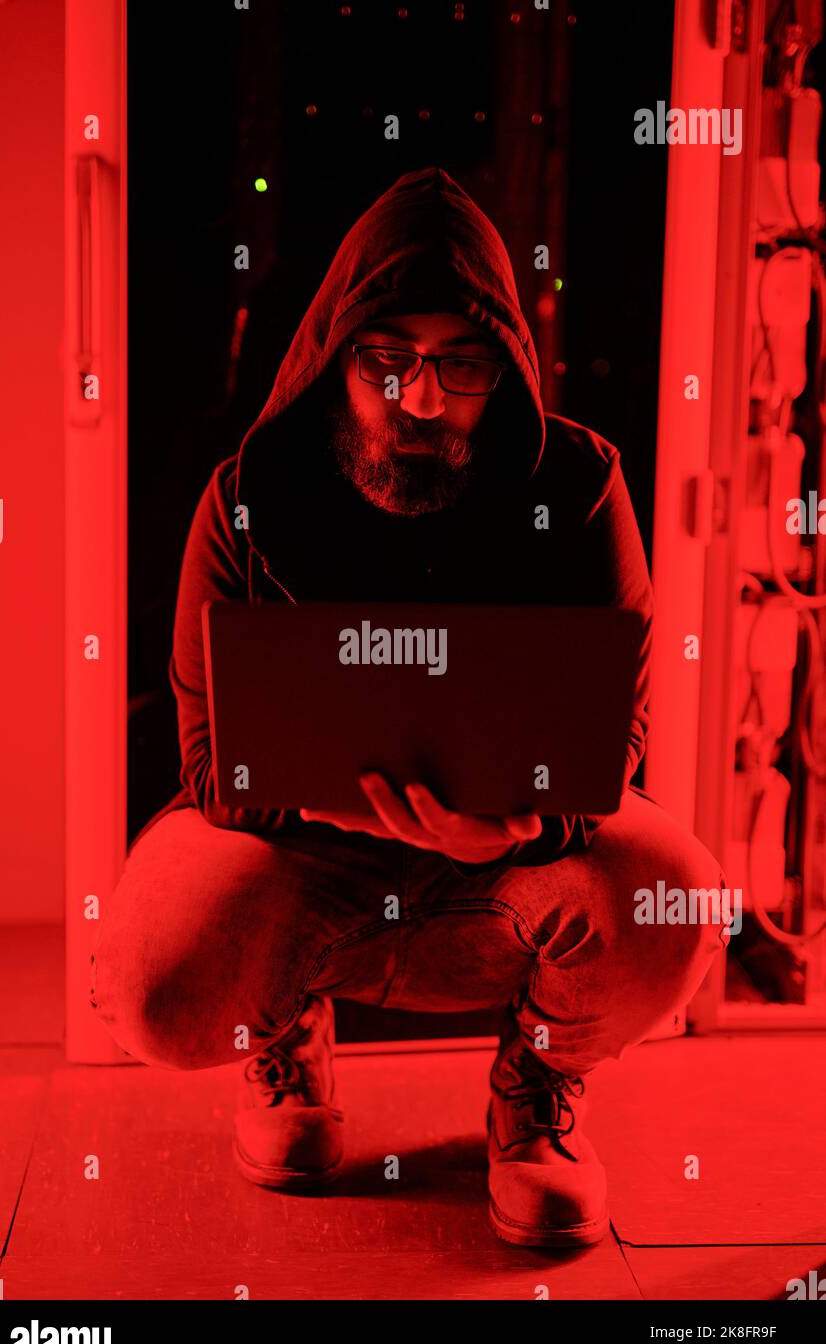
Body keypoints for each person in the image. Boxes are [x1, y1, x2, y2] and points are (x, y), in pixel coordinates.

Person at [91, 168, 728, 1248]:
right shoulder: (243, 493)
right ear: (337, 356)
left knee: (681, 894)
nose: (419, 400)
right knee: (146, 970)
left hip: (513, 865)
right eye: (387, 359)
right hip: (303, 855)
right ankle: (285, 1040)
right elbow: (208, 766)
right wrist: (333, 810)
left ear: (506, 371)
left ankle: (537, 1093)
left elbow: (609, 750)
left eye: (460, 365)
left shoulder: (577, 485)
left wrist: (522, 826)